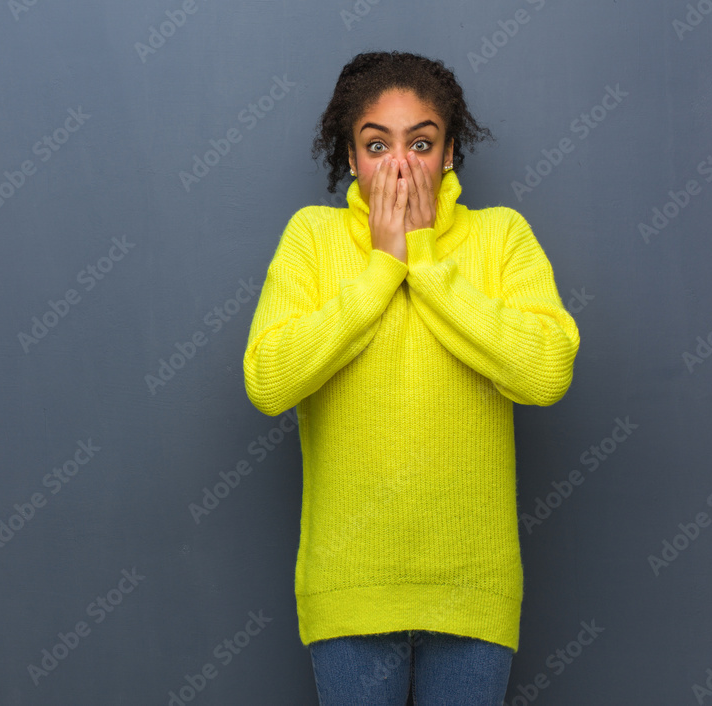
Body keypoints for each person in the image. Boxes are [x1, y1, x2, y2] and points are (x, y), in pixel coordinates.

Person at [243, 50, 580, 705]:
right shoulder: (311, 238)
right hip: (350, 585)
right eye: (377, 145)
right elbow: (268, 382)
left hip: (472, 587)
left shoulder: (502, 237)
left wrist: (424, 263)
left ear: (449, 153)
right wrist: (379, 271)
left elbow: (545, 373)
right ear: (350, 158)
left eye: (420, 143)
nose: (398, 165)